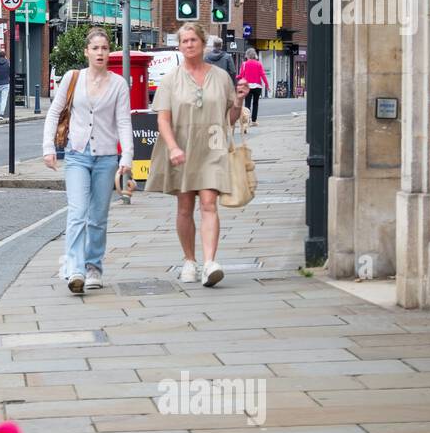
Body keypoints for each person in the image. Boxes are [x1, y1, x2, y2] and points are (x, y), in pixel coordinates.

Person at [145, 23, 248, 288]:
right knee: (184, 207)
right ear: (179, 46)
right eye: (184, 41)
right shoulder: (170, 80)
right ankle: (190, 260)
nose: (189, 45)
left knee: (209, 204)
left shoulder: (222, 77)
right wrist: (173, 147)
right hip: (182, 146)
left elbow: (230, 120)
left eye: (193, 40)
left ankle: (210, 262)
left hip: (213, 146)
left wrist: (238, 101)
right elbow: (163, 121)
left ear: (203, 44)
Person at [42, 28, 134, 295]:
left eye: (104, 48)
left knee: (98, 218)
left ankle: (94, 267)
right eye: (95, 48)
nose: (100, 53)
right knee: (77, 212)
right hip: (77, 156)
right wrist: (49, 148)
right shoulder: (73, 78)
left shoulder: (118, 84)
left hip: (106, 158)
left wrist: (126, 156)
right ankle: (75, 270)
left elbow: (124, 123)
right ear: (87, 52)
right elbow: (54, 113)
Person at [239, 48, 270, 124]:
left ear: (247, 55)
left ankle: (247, 120)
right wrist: (267, 85)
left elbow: (241, 75)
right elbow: (263, 75)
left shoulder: (244, 64)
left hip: (247, 86)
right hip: (257, 87)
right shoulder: (259, 64)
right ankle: (254, 120)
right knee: (255, 103)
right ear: (254, 55)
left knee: (247, 104)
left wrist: (237, 79)